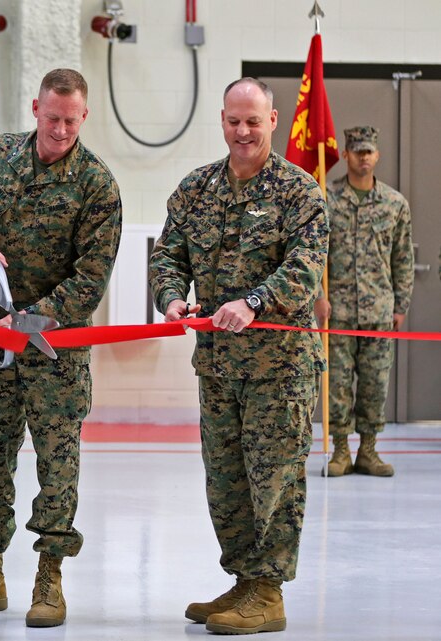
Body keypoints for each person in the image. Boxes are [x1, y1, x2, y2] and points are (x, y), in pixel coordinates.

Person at [0, 68, 121, 628]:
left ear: (84, 117)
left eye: (71, 120)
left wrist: (32, 318)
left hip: (56, 351)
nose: (60, 129)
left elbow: (91, 278)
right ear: (35, 109)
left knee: (57, 465)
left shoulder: (97, 185)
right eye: (51, 117)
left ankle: (50, 578)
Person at [149, 78, 328, 635]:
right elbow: (166, 256)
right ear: (222, 120)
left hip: (280, 370)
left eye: (253, 121)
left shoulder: (300, 193)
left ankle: (268, 593)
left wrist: (254, 302)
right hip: (219, 368)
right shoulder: (195, 190)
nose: (243, 132)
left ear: (273, 121)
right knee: (226, 482)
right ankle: (244, 581)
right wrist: (172, 298)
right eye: (234, 121)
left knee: (273, 480)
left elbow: (304, 268)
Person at [314, 126, 414, 478]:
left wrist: (401, 305)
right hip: (337, 313)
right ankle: (340, 451)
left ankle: (368, 450)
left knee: (374, 385)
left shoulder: (394, 203)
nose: (364, 157)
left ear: (378, 155)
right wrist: (318, 297)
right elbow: (313, 254)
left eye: (369, 151)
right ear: (345, 154)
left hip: (378, 312)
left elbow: (402, 257)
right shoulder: (326, 199)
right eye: (357, 151)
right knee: (337, 384)